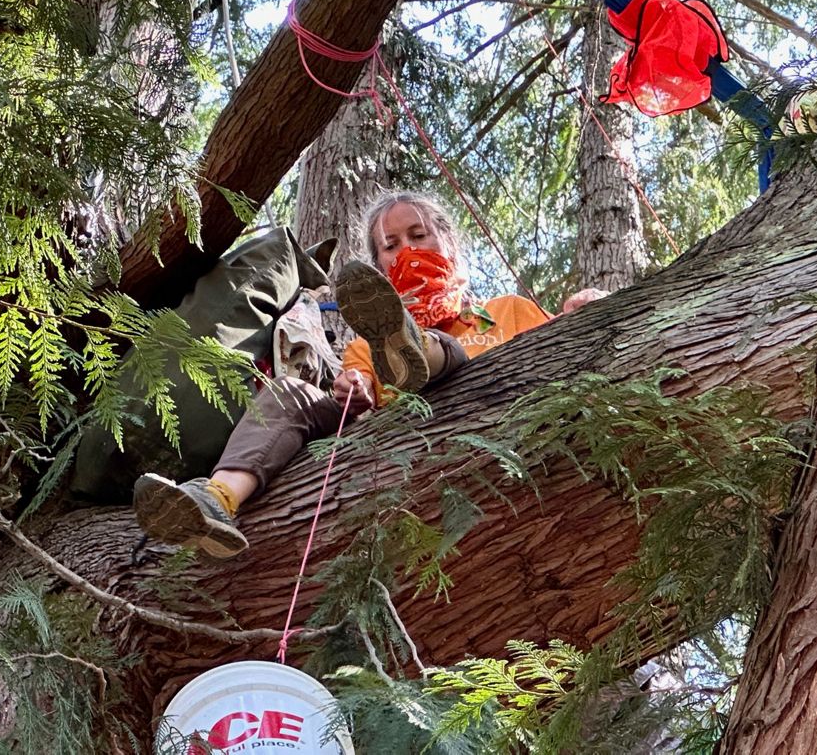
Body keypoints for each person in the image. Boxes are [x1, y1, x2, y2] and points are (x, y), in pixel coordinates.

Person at [131, 191, 588, 558]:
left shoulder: (505, 311)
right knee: (291, 392)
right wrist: (357, 386)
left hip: (479, 420)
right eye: (391, 246)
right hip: (396, 432)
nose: (407, 250)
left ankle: (418, 352)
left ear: (447, 242)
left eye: (418, 236)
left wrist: (585, 314)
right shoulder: (364, 344)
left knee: (446, 348)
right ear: (381, 265)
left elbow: (563, 359)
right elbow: (359, 394)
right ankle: (218, 499)